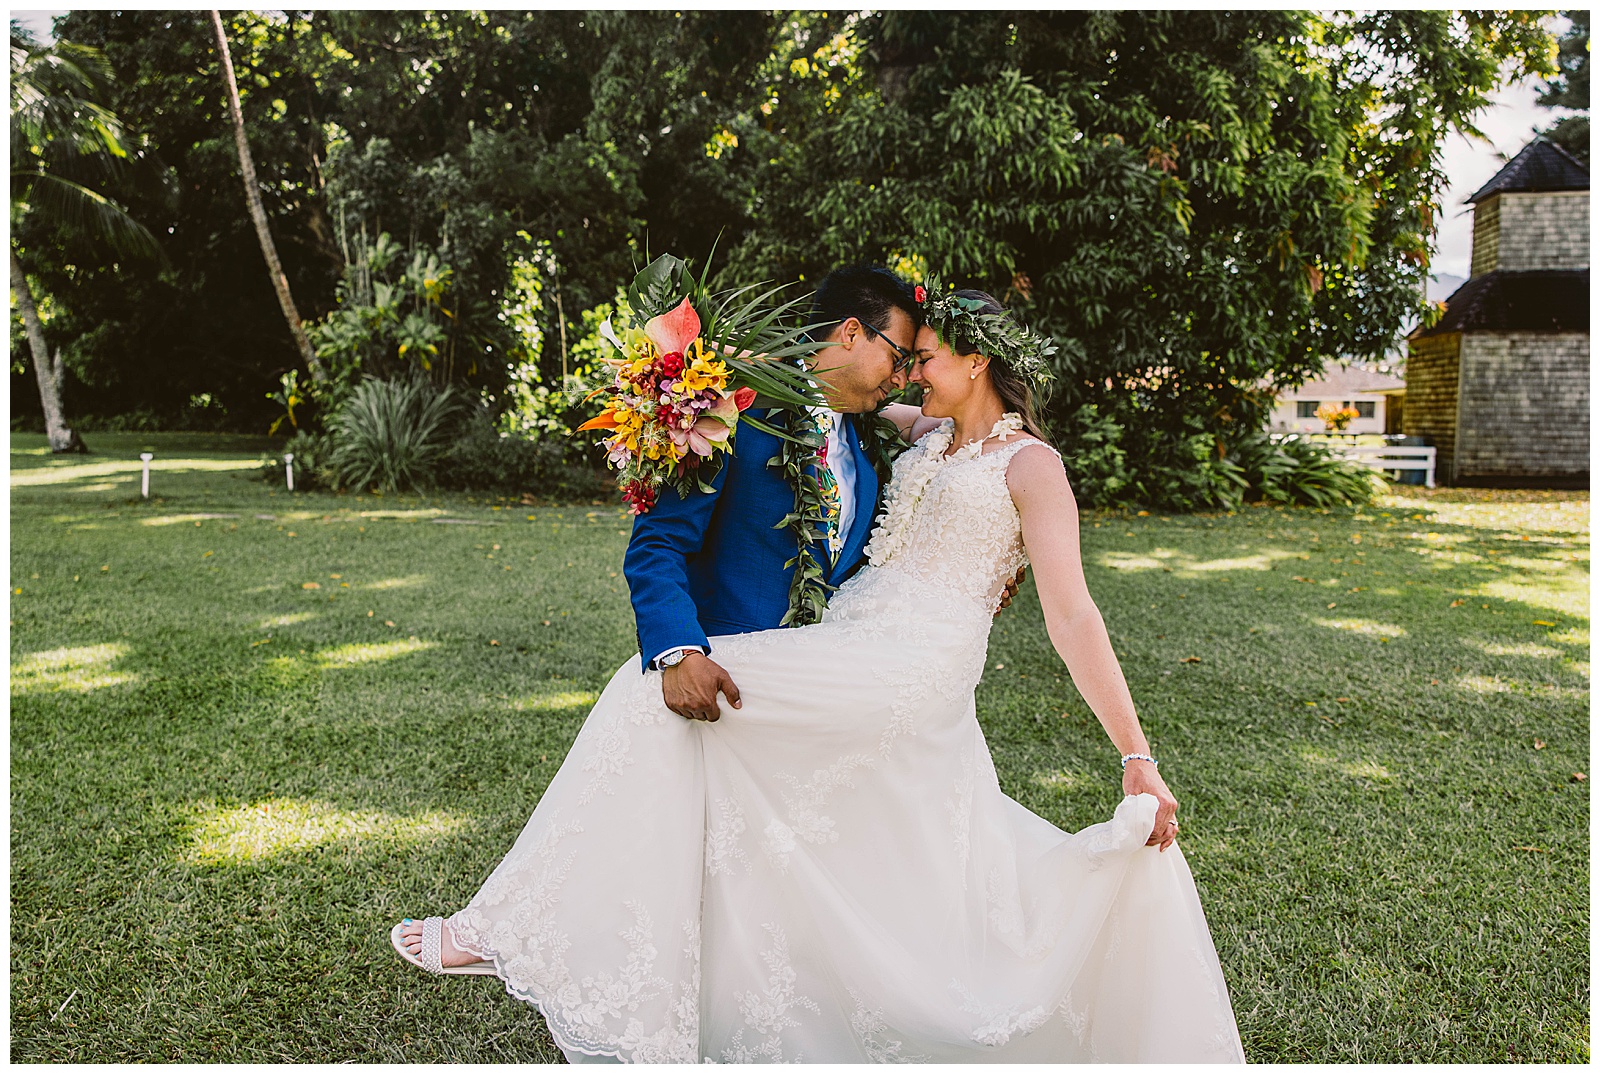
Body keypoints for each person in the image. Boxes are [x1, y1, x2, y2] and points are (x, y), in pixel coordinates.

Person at [391, 285, 1245, 1063]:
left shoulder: (1032, 467)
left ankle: (505, 929)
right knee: (762, 783)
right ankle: (656, 965)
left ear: (977, 360)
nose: (911, 373)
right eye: (904, 356)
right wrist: (701, 376)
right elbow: (827, 397)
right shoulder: (920, 431)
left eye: (927, 357)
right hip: (850, 634)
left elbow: (1073, 616)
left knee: (649, 700)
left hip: (912, 660)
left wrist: (1137, 755)